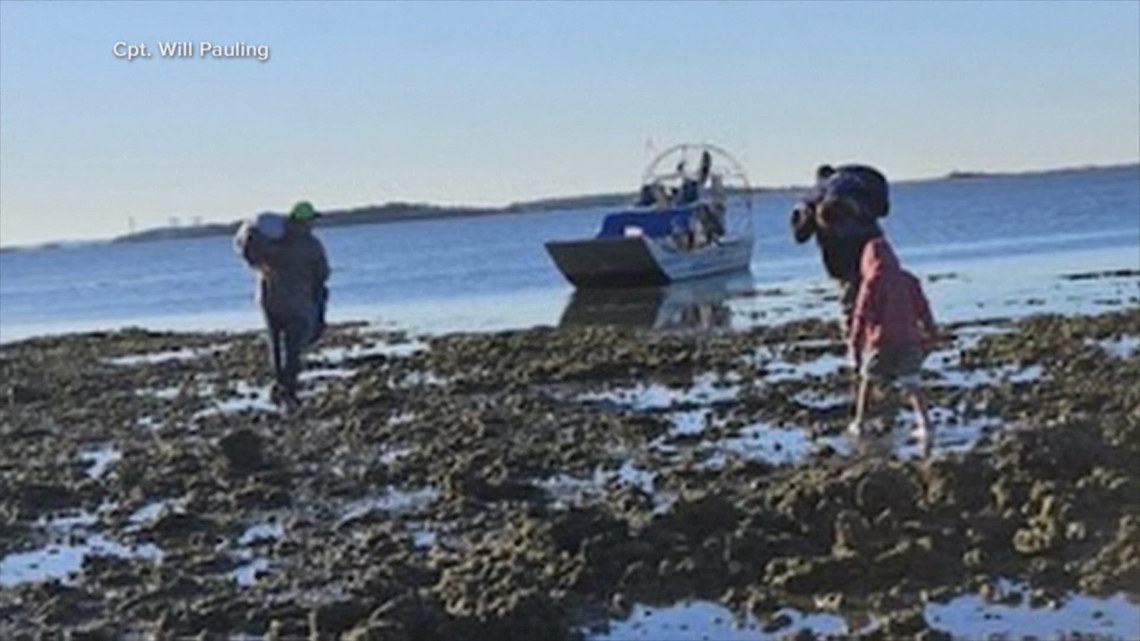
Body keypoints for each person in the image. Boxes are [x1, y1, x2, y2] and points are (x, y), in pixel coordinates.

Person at [234, 201, 330, 410]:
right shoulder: (311, 245)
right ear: (306, 222)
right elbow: (322, 274)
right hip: (297, 303)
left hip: (268, 300)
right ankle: (289, 389)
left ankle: (279, 386)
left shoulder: (270, 241)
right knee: (293, 348)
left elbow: (255, 259)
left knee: (275, 345)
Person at [847, 238, 937, 441]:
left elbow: (860, 316)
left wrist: (854, 346)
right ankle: (925, 422)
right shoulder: (908, 280)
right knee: (912, 383)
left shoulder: (871, 283)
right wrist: (932, 333)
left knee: (867, 380)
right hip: (909, 340)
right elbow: (923, 308)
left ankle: (860, 422)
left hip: (881, 342)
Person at [791, 164, 890, 329]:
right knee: (878, 303)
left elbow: (800, 236)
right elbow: (884, 210)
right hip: (873, 256)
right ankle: (881, 338)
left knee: (851, 307)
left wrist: (802, 215)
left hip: (841, 263)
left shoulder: (814, 200)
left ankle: (858, 344)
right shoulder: (860, 193)